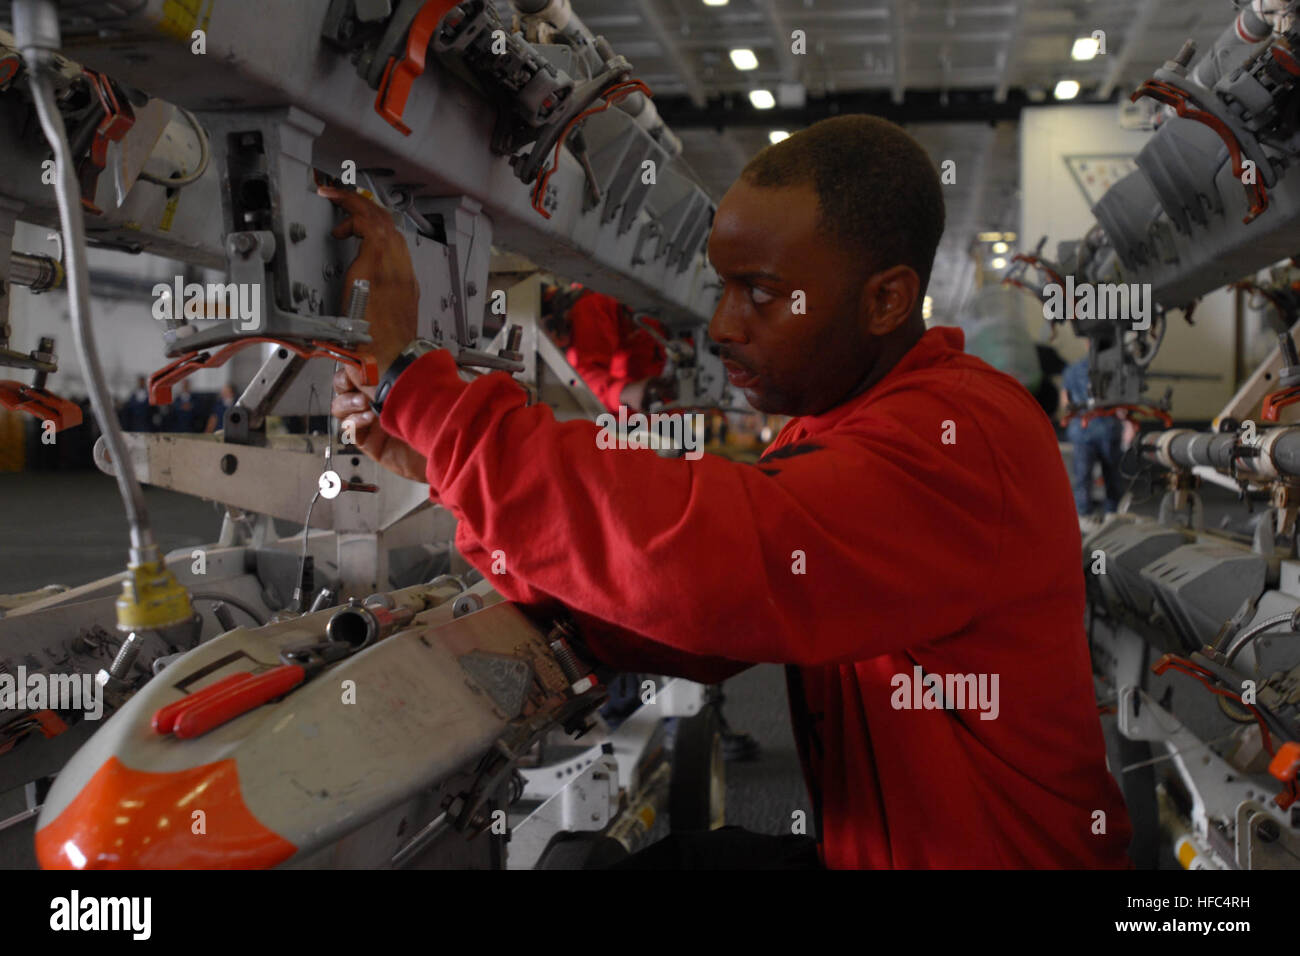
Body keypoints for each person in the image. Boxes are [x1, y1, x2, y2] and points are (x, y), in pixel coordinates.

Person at [324, 114, 1132, 869]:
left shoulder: (958, 437)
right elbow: (703, 632)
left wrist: (422, 389)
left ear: (886, 299)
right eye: (723, 286)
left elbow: (713, 562)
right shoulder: (838, 426)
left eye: (763, 293)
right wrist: (446, 469)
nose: (721, 325)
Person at [1060, 357, 1126, 517]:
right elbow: (1124, 405)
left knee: (1082, 479)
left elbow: (1065, 403)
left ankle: (1083, 517)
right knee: (1112, 478)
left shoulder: (1072, 370)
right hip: (1108, 431)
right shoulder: (1117, 369)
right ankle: (1113, 516)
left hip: (1082, 431)